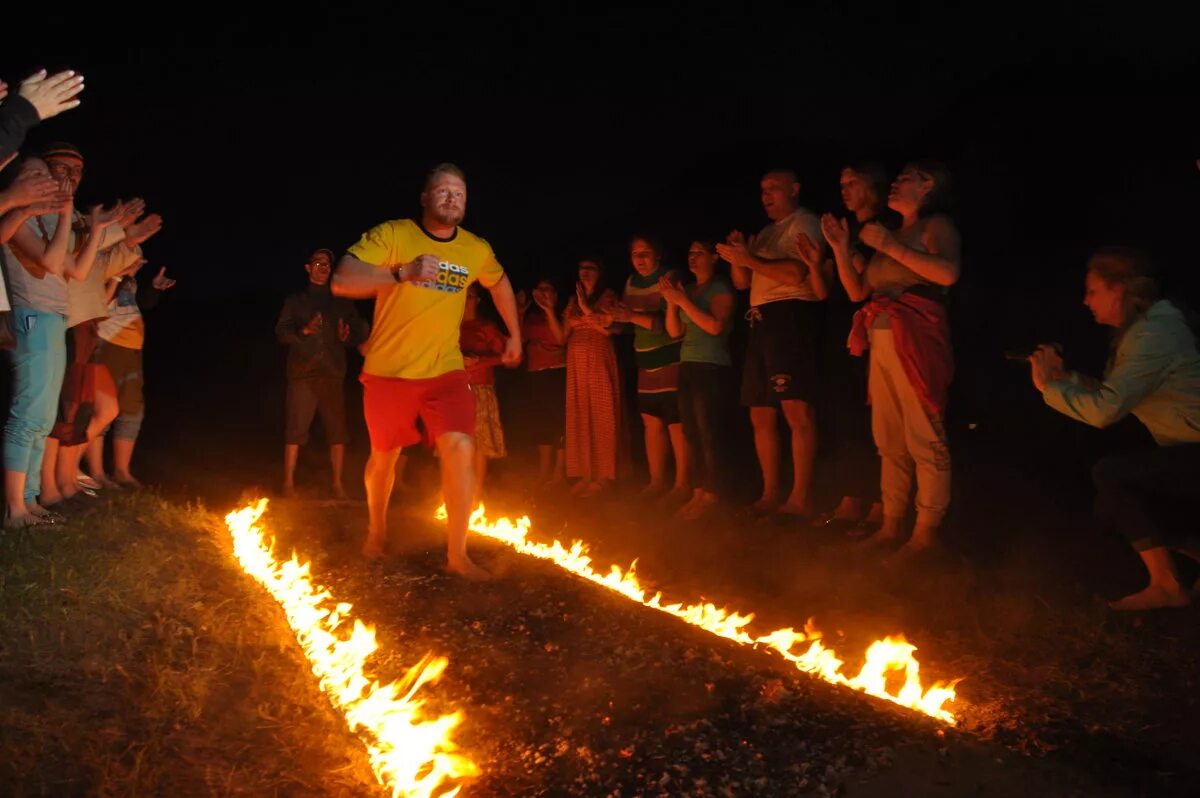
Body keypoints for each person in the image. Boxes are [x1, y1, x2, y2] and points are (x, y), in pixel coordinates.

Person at [332, 163, 521, 580]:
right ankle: (376, 532)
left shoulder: (475, 248)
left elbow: (500, 282)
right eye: (442, 191)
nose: (451, 198)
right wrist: (403, 272)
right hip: (389, 371)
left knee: (461, 449)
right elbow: (342, 280)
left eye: (459, 193)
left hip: (445, 370)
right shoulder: (394, 235)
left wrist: (515, 334)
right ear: (424, 198)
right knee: (385, 459)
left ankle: (458, 555)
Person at [1030, 247, 1200, 610]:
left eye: (1093, 291)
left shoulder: (1156, 333)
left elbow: (1105, 410)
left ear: (1119, 289)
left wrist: (1050, 387)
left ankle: (1167, 586)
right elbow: (1117, 393)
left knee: (1113, 475)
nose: (1085, 301)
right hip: (1187, 450)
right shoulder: (1143, 330)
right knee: (1110, 505)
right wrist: (1065, 379)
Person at [824, 161, 960, 564]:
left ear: (929, 185)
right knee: (889, 438)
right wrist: (838, 248)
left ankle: (925, 532)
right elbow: (857, 292)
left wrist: (889, 246)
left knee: (924, 432)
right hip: (881, 338)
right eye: (896, 177)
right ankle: (892, 524)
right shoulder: (893, 234)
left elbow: (949, 273)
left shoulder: (935, 227)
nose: (895, 184)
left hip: (916, 339)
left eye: (905, 179)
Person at [716, 169, 829, 521]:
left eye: (773, 189)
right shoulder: (765, 233)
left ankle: (800, 498)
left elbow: (797, 274)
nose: (766, 195)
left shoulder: (804, 223)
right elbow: (742, 282)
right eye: (762, 190)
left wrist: (749, 259)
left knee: (796, 410)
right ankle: (769, 494)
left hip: (790, 317)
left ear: (794, 189)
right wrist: (739, 258)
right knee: (760, 411)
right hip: (760, 321)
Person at [804, 163, 891, 532]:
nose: (844, 190)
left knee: (872, 420)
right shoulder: (847, 231)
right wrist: (814, 262)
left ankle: (879, 504)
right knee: (844, 417)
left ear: (873, 186)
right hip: (841, 331)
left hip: (873, 333)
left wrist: (847, 250)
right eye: (841, 184)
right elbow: (824, 290)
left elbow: (865, 285)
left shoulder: (882, 229)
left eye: (852, 182)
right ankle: (851, 496)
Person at [275, 248, 369, 499]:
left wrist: (347, 336)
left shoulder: (340, 300)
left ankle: (338, 486)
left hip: (332, 373)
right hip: (302, 373)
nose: (323, 266)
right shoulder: (297, 300)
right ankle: (288, 484)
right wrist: (304, 331)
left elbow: (359, 331)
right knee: (295, 429)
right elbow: (282, 331)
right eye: (317, 262)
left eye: (327, 263)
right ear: (308, 268)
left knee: (337, 430)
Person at [661, 239, 735, 520]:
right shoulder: (689, 290)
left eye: (699, 253)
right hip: (689, 364)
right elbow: (674, 332)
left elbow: (715, 326)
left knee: (709, 431)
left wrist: (683, 302)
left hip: (712, 366)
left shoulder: (720, 288)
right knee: (691, 431)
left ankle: (714, 494)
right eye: (690, 253)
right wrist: (672, 303)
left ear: (714, 258)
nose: (692, 258)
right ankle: (699, 491)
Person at [86, 263, 176, 489]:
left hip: (132, 345)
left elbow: (139, 303)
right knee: (102, 410)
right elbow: (96, 302)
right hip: (107, 341)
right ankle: (97, 473)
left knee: (132, 409)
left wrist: (153, 289)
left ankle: (121, 471)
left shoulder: (130, 261)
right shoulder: (108, 258)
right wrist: (119, 272)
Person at [613, 235, 688, 500]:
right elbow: (627, 318)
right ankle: (656, 481)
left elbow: (669, 325)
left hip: (670, 359)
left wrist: (631, 316)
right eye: (635, 254)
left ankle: (681, 484)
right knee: (651, 421)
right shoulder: (632, 282)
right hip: (645, 361)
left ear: (658, 255)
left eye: (646, 253)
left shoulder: (669, 277)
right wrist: (610, 319)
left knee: (675, 422)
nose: (641, 259)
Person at [563, 258, 623, 497]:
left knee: (602, 413)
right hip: (577, 365)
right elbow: (562, 335)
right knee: (581, 413)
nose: (585, 272)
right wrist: (550, 310)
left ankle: (603, 475)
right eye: (582, 268)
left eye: (591, 268)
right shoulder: (573, 300)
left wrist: (586, 309)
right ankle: (586, 473)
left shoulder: (608, 297)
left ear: (600, 273)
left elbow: (607, 330)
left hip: (598, 360)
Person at [459, 282, 510, 502]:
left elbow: (506, 356)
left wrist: (479, 361)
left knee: (480, 444)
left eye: (471, 296)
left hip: (480, 389)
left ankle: (476, 493)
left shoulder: (486, 327)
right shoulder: (450, 326)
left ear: (477, 300)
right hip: (455, 390)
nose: (466, 299)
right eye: (463, 295)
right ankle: (457, 490)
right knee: (457, 441)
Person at [520, 279, 567, 486]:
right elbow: (519, 341)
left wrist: (549, 310)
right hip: (536, 374)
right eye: (539, 289)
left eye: (548, 289)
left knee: (560, 423)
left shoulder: (562, 314)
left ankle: (559, 472)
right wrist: (520, 312)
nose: (543, 293)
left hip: (557, 374)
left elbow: (560, 340)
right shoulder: (532, 318)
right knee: (542, 424)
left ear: (556, 295)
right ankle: (544, 472)